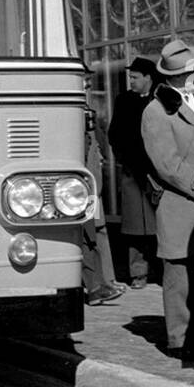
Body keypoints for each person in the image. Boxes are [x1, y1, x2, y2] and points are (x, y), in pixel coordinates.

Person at [141, 38, 194, 358]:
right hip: (179, 204)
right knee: (179, 277)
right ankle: (180, 341)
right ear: (176, 76)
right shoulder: (155, 111)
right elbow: (166, 164)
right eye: (192, 69)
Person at [109, 57, 160, 288]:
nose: (131, 81)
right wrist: (124, 160)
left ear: (148, 78)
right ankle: (138, 273)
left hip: (158, 173)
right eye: (130, 77)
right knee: (134, 229)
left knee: (160, 225)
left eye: (135, 77)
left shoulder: (161, 99)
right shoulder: (124, 100)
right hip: (132, 173)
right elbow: (114, 135)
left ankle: (160, 270)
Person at [83, 102, 125, 305]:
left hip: (93, 185)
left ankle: (106, 280)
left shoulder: (87, 108)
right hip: (83, 187)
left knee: (98, 232)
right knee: (89, 236)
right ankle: (96, 285)